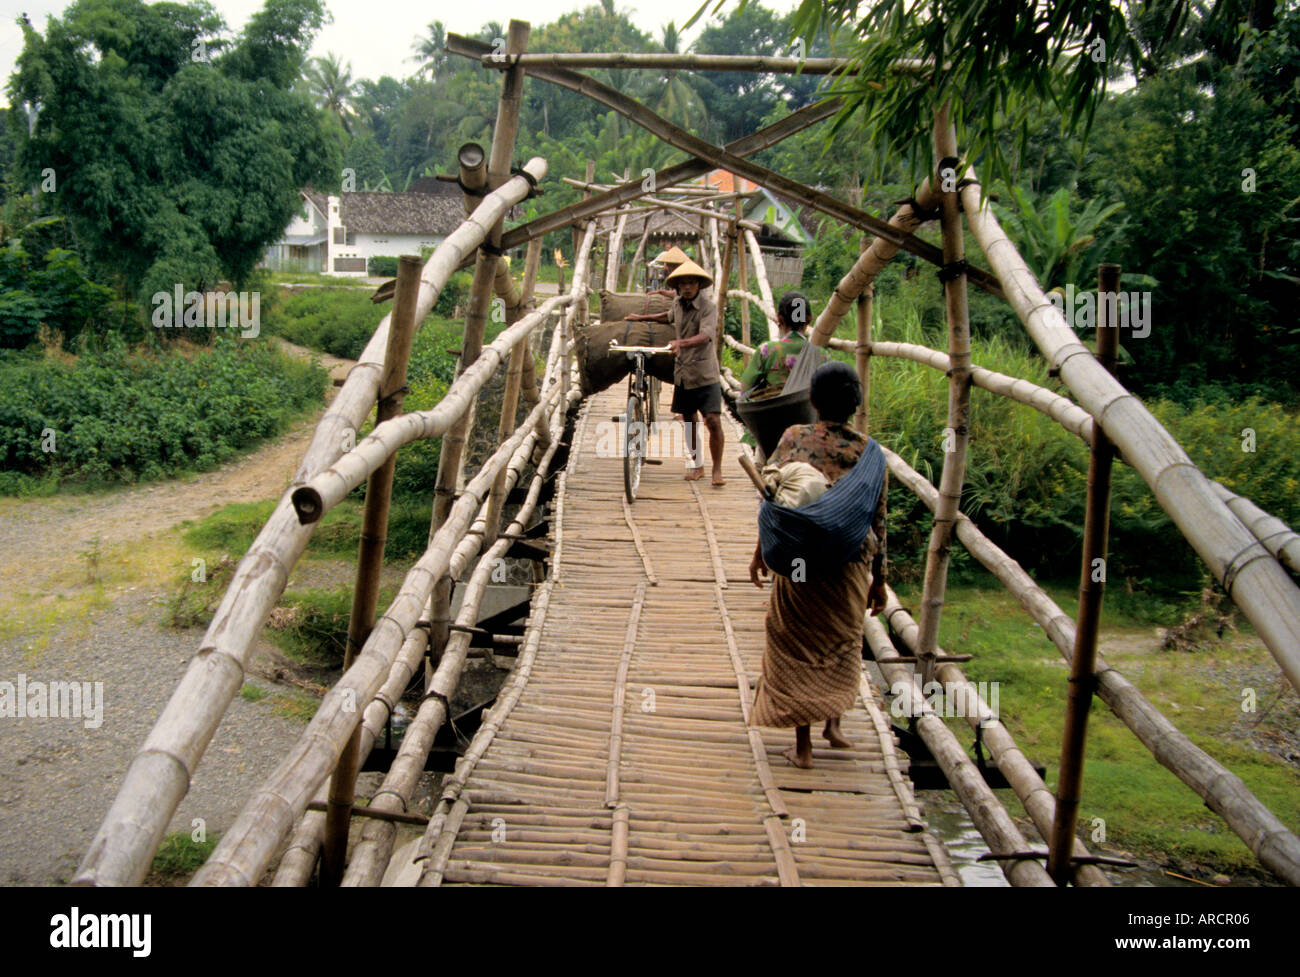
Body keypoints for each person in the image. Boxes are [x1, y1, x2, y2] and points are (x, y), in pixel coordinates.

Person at [747, 361, 888, 769]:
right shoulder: (871, 453)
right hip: (849, 563)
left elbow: (773, 498)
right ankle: (835, 724)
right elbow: (879, 520)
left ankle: (805, 744)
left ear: (810, 399)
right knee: (840, 643)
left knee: (795, 645)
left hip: (799, 561)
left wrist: (761, 552)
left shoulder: (794, 437)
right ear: (856, 404)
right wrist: (879, 581)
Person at [626, 259, 726, 486]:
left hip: (704, 371)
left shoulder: (708, 307)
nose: (688, 287)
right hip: (683, 372)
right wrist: (641, 318)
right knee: (690, 421)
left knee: (712, 420)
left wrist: (681, 342)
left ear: (699, 285)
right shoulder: (678, 304)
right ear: (678, 287)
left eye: (692, 283)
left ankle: (717, 470)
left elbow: (706, 336)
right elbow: (667, 316)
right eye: (684, 284)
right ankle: (697, 465)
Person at [739, 291, 811, 402]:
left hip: (773, 412)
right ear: (809, 319)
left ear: (780, 319)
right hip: (807, 411)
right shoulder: (820, 353)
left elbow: (746, 386)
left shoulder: (767, 350)